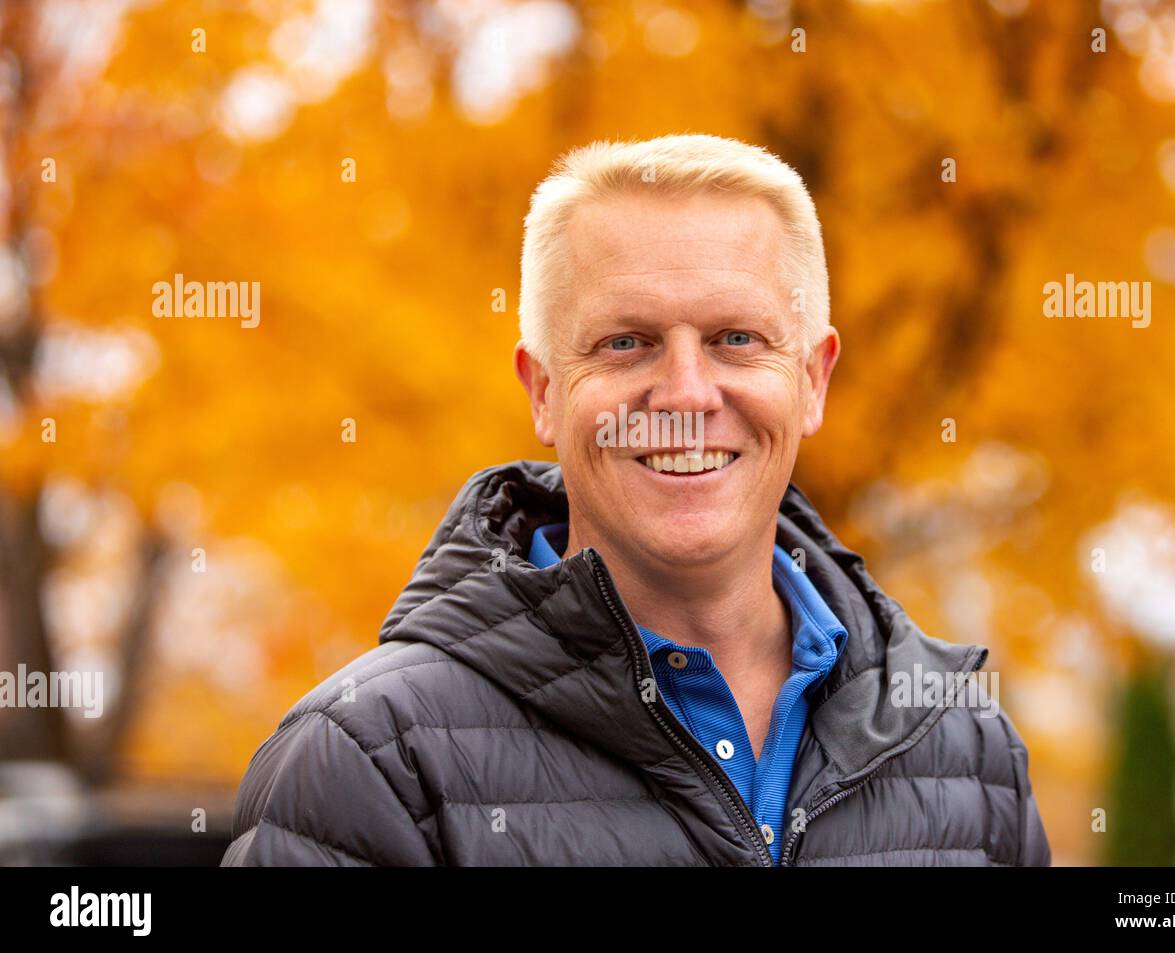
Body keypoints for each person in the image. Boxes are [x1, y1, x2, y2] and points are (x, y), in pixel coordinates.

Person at [221, 134, 1051, 866]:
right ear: (543, 390)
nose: (686, 393)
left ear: (811, 378)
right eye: (626, 343)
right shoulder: (370, 764)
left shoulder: (964, 752)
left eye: (736, 339)